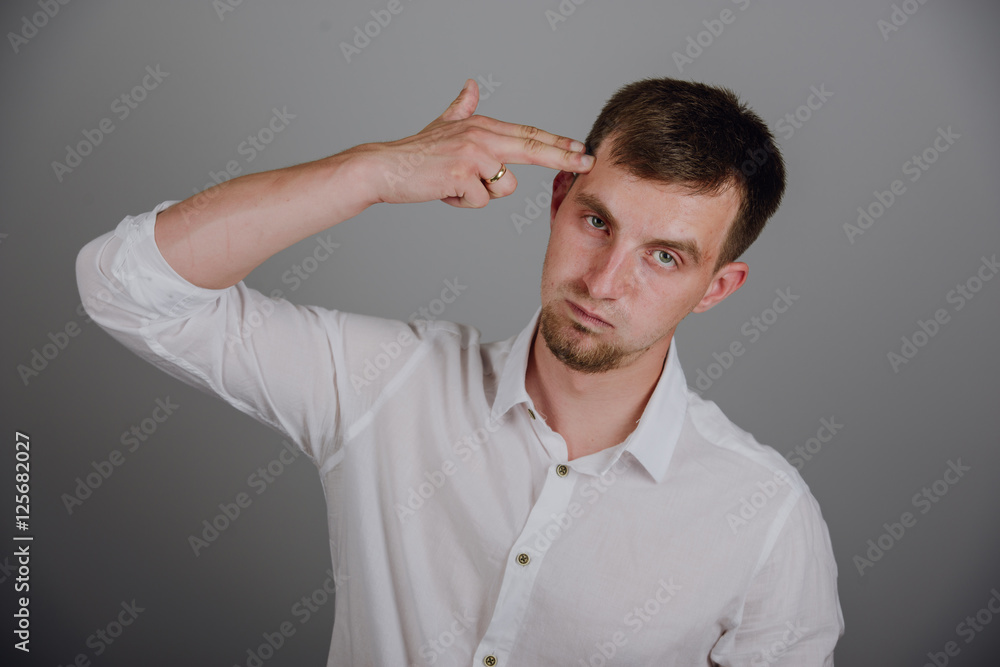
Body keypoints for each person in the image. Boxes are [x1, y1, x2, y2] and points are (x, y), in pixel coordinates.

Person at [76, 77, 843, 665]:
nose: (604, 282)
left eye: (664, 257)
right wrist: (370, 172)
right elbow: (128, 287)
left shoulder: (766, 519)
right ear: (558, 200)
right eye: (597, 222)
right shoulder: (391, 385)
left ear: (716, 288)